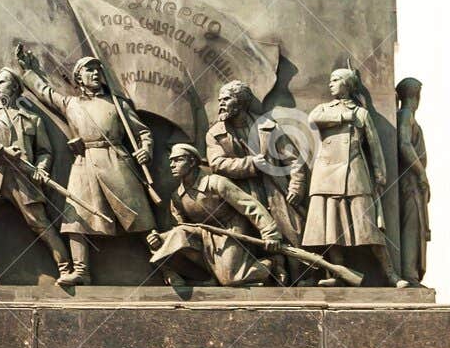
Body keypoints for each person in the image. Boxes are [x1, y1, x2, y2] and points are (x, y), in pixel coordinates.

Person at [13, 43, 156, 283]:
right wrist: (28, 72)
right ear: (79, 78)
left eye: (98, 70)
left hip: (115, 160)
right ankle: (81, 271)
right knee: (76, 216)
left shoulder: (117, 105)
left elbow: (143, 132)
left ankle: (169, 268)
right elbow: (45, 92)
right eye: (89, 71)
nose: (96, 74)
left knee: (139, 217)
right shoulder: (72, 104)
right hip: (84, 163)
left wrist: (146, 150)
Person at [0, 67, 74, 287]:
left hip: (22, 179)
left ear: (14, 86)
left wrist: (41, 168)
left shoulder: (32, 119)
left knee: (39, 224)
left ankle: (66, 269)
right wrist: (1, 149)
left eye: (1, 82)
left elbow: (45, 151)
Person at [303, 67, 401, 286]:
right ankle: (337, 273)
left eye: (336, 80)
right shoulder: (324, 109)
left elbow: (374, 146)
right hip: (326, 174)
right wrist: (344, 116)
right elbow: (312, 119)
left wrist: (379, 174)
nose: (331, 84)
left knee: (369, 228)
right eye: (330, 80)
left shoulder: (362, 114)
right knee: (331, 226)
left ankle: (391, 274)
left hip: (354, 173)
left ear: (347, 85)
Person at [147, 143, 284, 286]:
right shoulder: (177, 196)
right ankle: (208, 275)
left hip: (230, 230)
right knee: (165, 240)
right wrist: (159, 238)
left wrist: (270, 234)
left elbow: (250, 206)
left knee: (231, 280)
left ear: (192, 162)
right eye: (171, 161)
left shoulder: (216, 182)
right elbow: (180, 226)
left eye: (178, 160)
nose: (172, 165)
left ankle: (272, 264)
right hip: (204, 234)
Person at [206, 79, 308, 246]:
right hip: (241, 194)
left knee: (294, 236)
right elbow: (217, 164)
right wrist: (251, 163)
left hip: (275, 190)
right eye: (219, 101)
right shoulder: (215, 133)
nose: (221, 104)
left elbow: (293, 158)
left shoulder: (268, 126)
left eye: (226, 99)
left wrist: (297, 186)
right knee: (251, 245)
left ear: (241, 102)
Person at [396, 77, 431, 286]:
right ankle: (409, 274)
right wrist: (421, 173)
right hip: (409, 181)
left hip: (410, 180)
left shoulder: (405, 116)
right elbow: (405, 144)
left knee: (414, 225)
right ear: (416, 95)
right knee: (412, 226)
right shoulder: (406, 115)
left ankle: (411, 272)